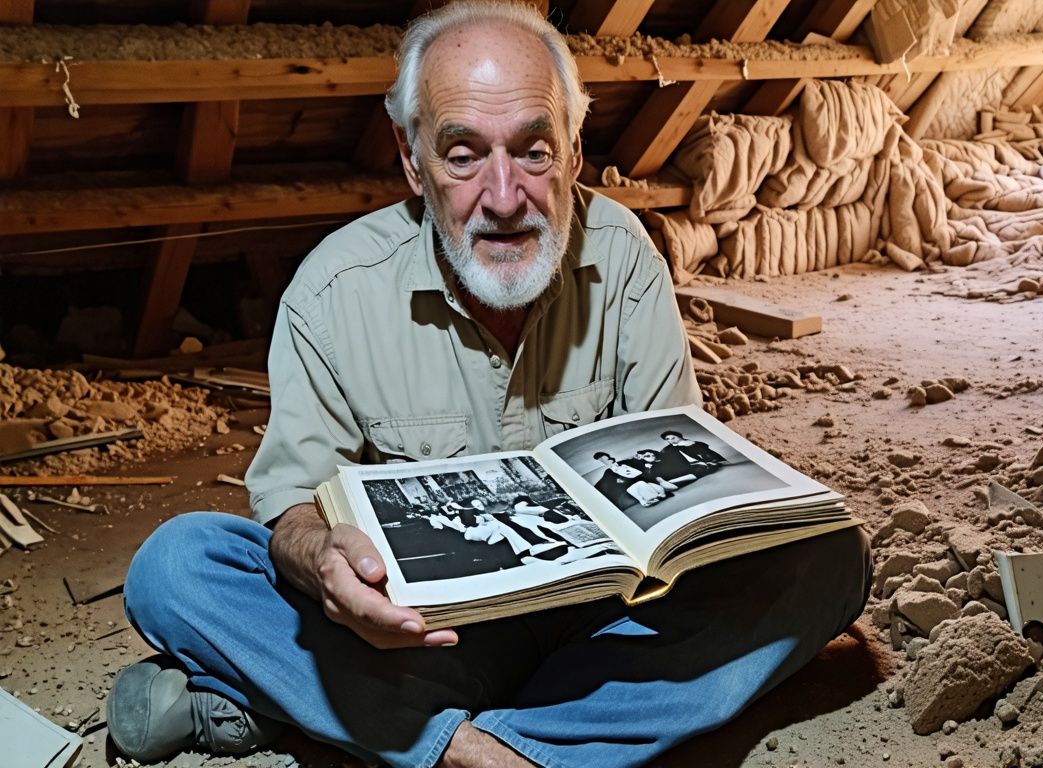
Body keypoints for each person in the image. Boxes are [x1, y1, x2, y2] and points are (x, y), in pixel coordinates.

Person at [105, 4, 870, 767]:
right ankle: (499, 744)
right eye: (462, 155)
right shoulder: (333, 290)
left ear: (574, 150)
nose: (504, 198)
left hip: (608, 618)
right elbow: (292, 508)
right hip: (422, 629)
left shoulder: (626, 259)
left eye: (533, 151)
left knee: (829, 554)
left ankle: (351, 714)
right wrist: (328, 564)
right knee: (181, 561)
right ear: (412, 160)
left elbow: (673, 493)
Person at [657, 430, 727, 479]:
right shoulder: (667, 450)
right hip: (687, 467)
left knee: (710, 465)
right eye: (667, 439)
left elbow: (708, 453)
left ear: (680, 437)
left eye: (673, 438)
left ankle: (706, 466)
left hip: (703, 462)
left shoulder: (693, 443)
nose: (670, 440)